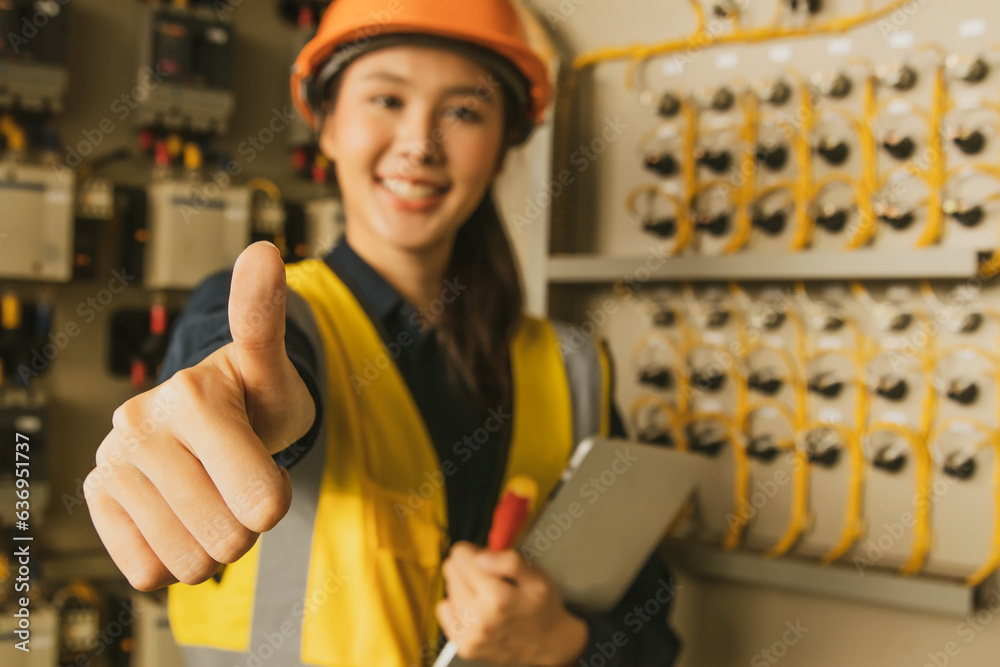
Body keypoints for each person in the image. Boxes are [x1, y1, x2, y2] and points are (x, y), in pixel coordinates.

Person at [84, 0, 683, 665]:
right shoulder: (275, 323)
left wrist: (560, 641)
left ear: (504, 146)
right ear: (327, 124)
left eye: (464, 111)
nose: (420, 142)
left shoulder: (572, 368)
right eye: (386, 100)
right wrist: (239, 413)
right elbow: (235, 369)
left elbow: (650, 633)